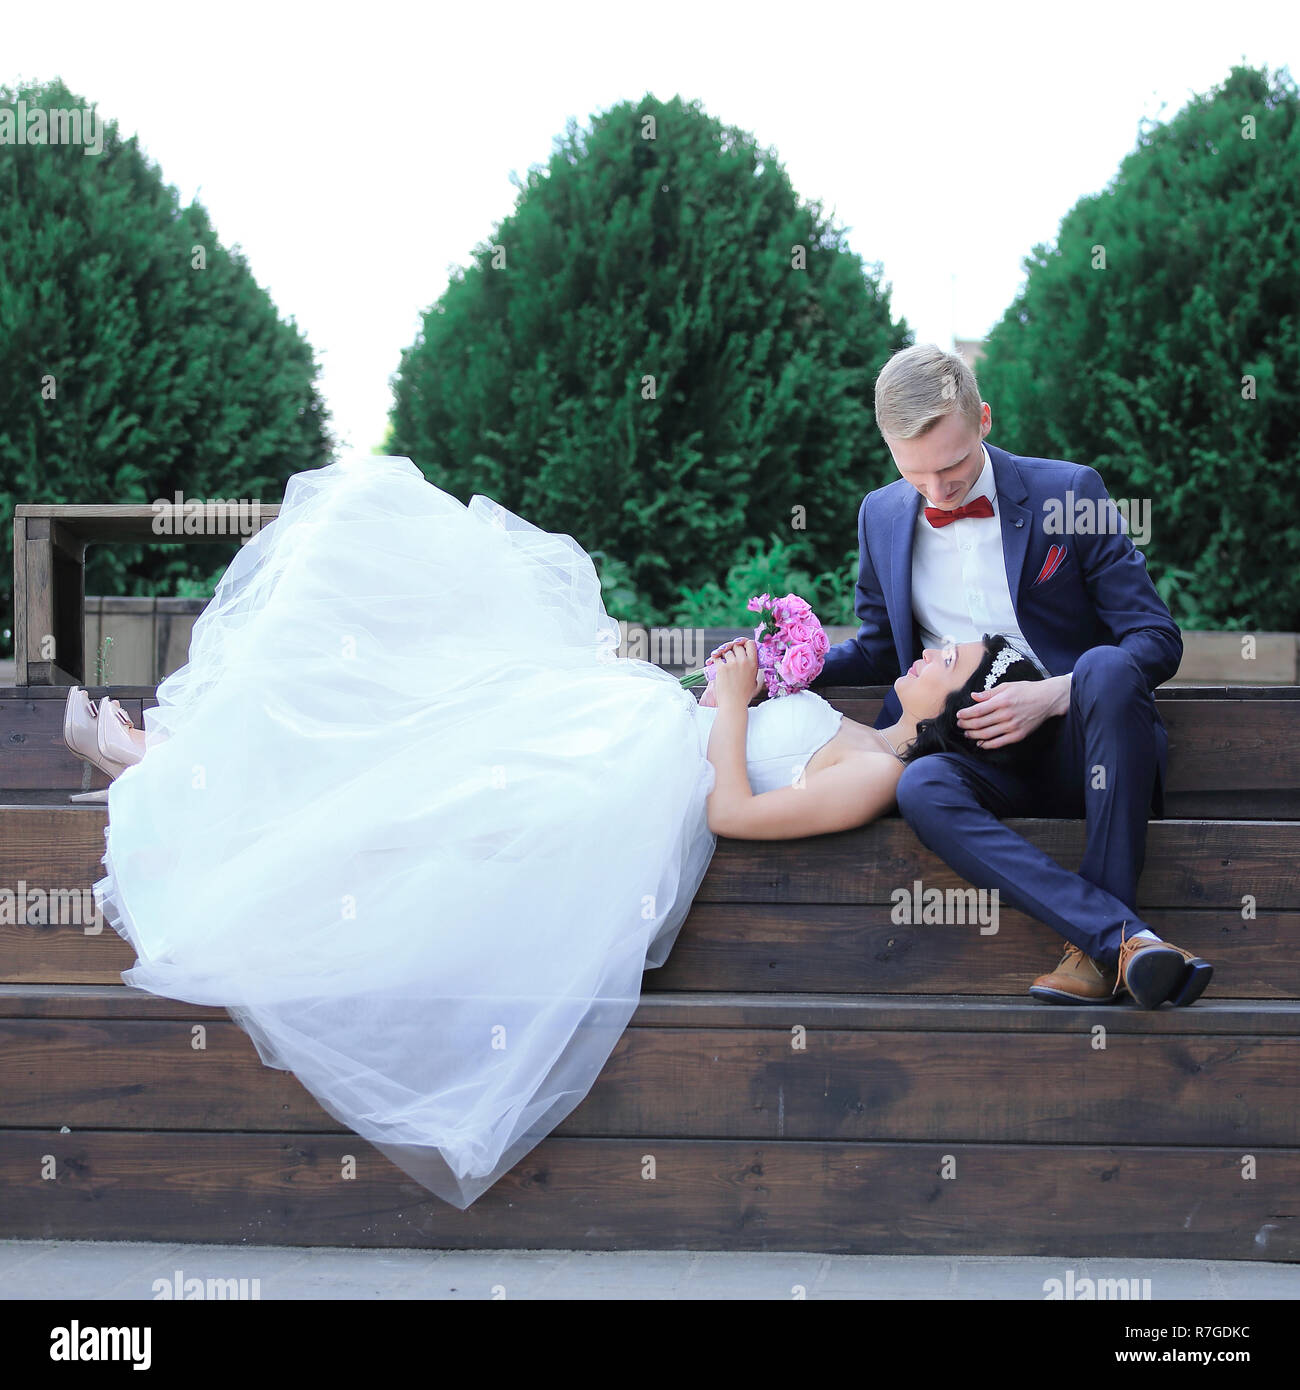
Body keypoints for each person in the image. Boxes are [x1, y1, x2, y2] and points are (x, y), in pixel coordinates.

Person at [61, 450, 1033, 1210]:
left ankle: (176, 771)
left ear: (956, 702)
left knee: (434, 770)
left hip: (639, 780)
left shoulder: (874, 775)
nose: (930, 647)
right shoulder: (857, 732)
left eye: (950, 655)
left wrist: (733, 698)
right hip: (642, 731)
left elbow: (731, 809)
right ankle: (182, 748)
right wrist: (765, 677)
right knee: (437, 700)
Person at [807, 342, 1211, 1011]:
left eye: (954, 466)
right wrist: (784, 666)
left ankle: (1094, 949)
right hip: (974, 755)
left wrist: (1055, 694)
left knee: (1107, 664)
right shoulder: (879, 515)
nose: (938, 491)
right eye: (916, 475)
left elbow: (1156, 639)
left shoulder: (1068, 491)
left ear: (985, 419)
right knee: (923, 785)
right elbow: (881, 649)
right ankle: (1122, 940)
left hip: (1088, 751)